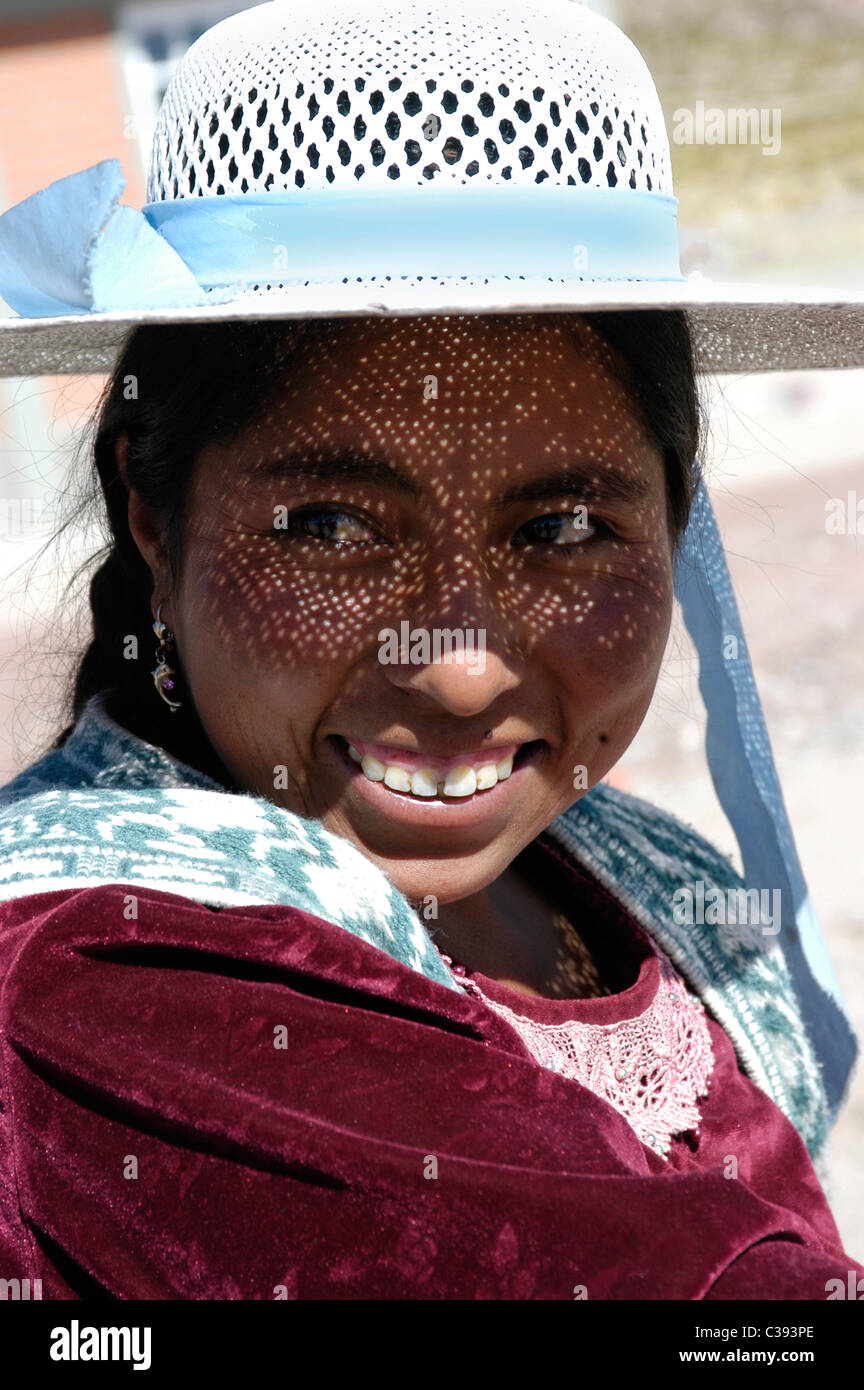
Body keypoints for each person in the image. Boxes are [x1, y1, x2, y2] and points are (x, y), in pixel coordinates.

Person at [0, 0, 861, 1301]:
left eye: (564, 527)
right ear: (156, 519)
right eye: (334, 526)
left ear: (671, 520)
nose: (459, 667)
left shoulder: (633, 881)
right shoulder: (113, 971)